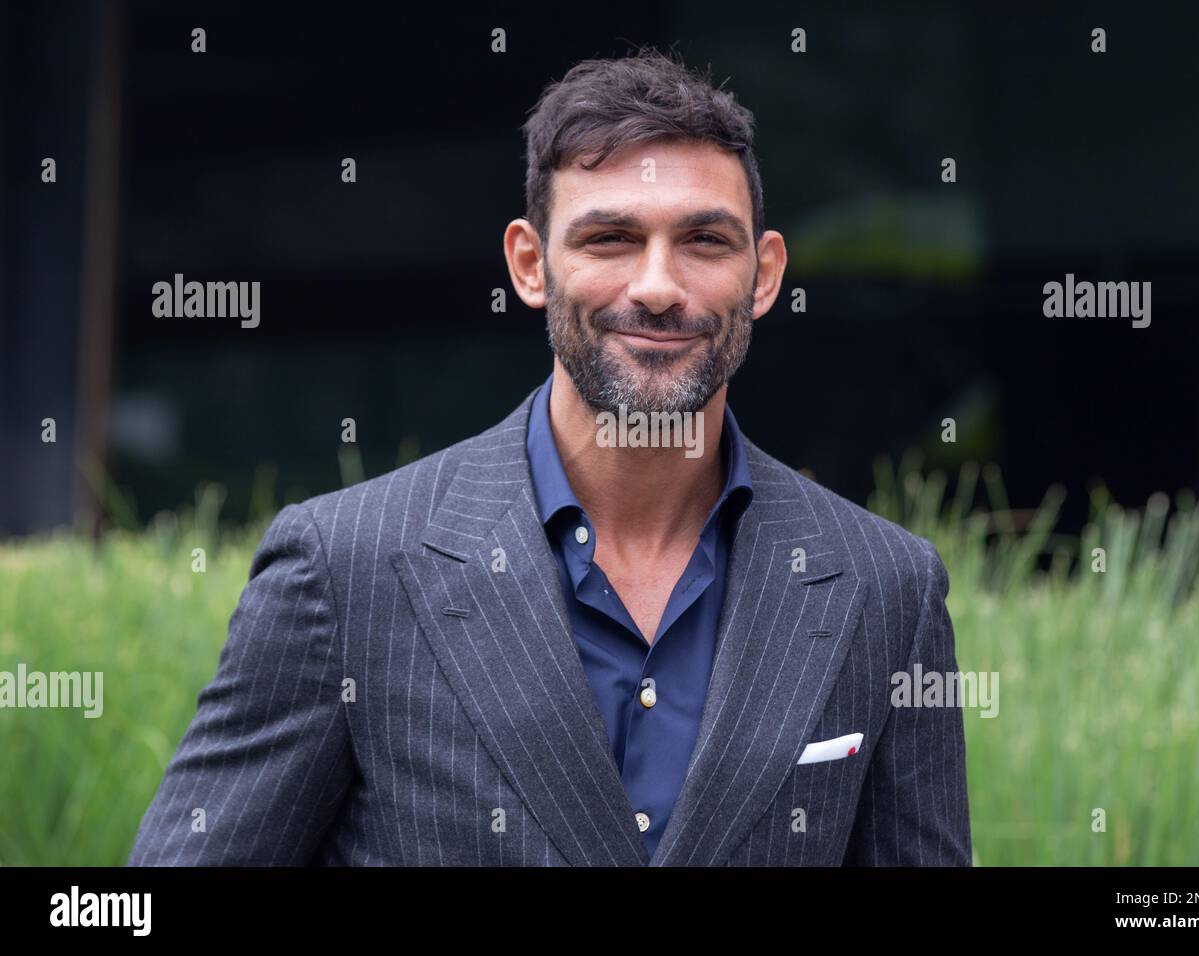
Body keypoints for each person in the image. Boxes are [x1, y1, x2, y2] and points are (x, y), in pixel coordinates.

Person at [128, 48, 971, 867]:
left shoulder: (885, 589)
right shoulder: (343, 570)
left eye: (705, 241)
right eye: (609, 238)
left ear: (764, 272)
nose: (656, 286)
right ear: (530, 265)